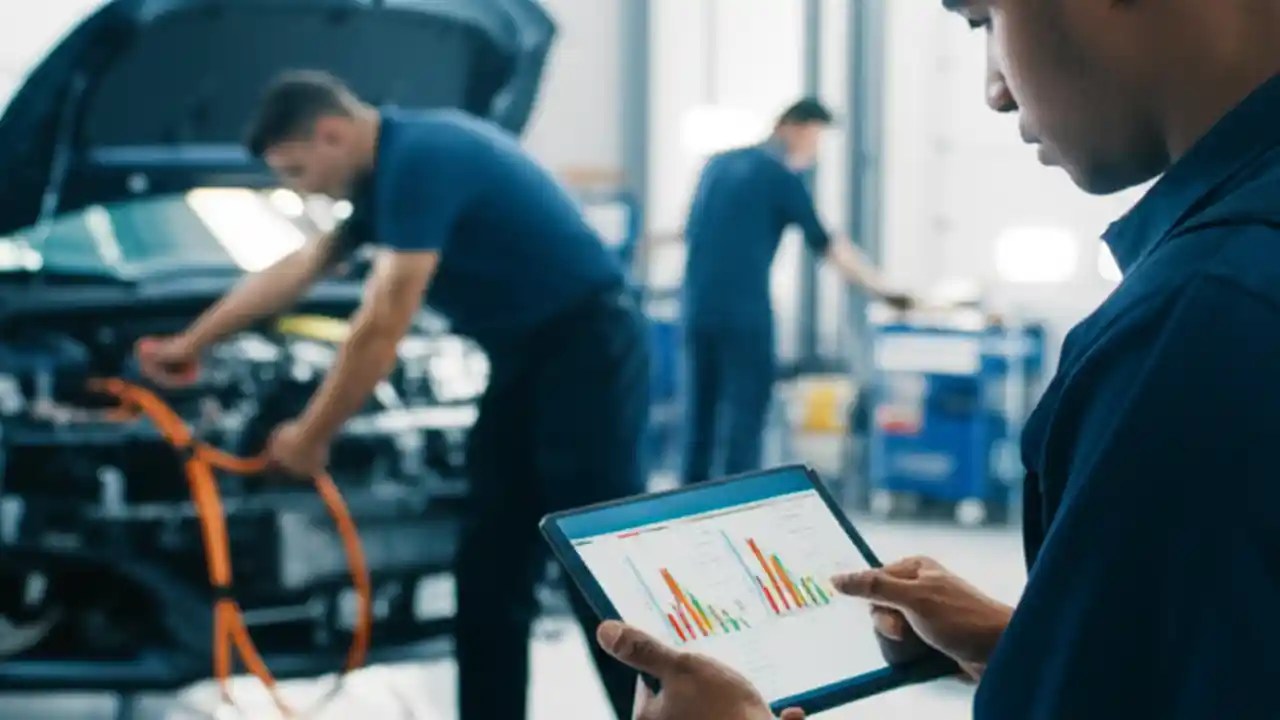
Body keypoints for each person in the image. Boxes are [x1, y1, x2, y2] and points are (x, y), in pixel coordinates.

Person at [598, 0, 1280, 717]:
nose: (996, 90)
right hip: (740, 319)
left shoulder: (1199, 324)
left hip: (703, 313)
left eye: (984, 18)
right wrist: (1033, 646)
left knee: (710, 448)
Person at [137, 70, 646, 720]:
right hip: (527, 358)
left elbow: (383, 319)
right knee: (490, 568)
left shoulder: (422, 158)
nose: (302, 188)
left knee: (593, 554)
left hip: (588, 345)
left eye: (298, 169)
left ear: (331, 133)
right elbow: (298, 268)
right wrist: (190, 344)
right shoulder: (387, 174)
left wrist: (311, 436)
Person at [680, 98, 911, 486]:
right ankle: (735, 512)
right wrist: (883, 290)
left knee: (699, 418)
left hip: (697, 309)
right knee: (744, 418)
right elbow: (828, 245)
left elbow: (688, 231)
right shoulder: (779, 176)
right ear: (797, 127)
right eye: (815, 139)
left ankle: (683, 509)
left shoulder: (716, 165)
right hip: (745, 314)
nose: (814, 151)